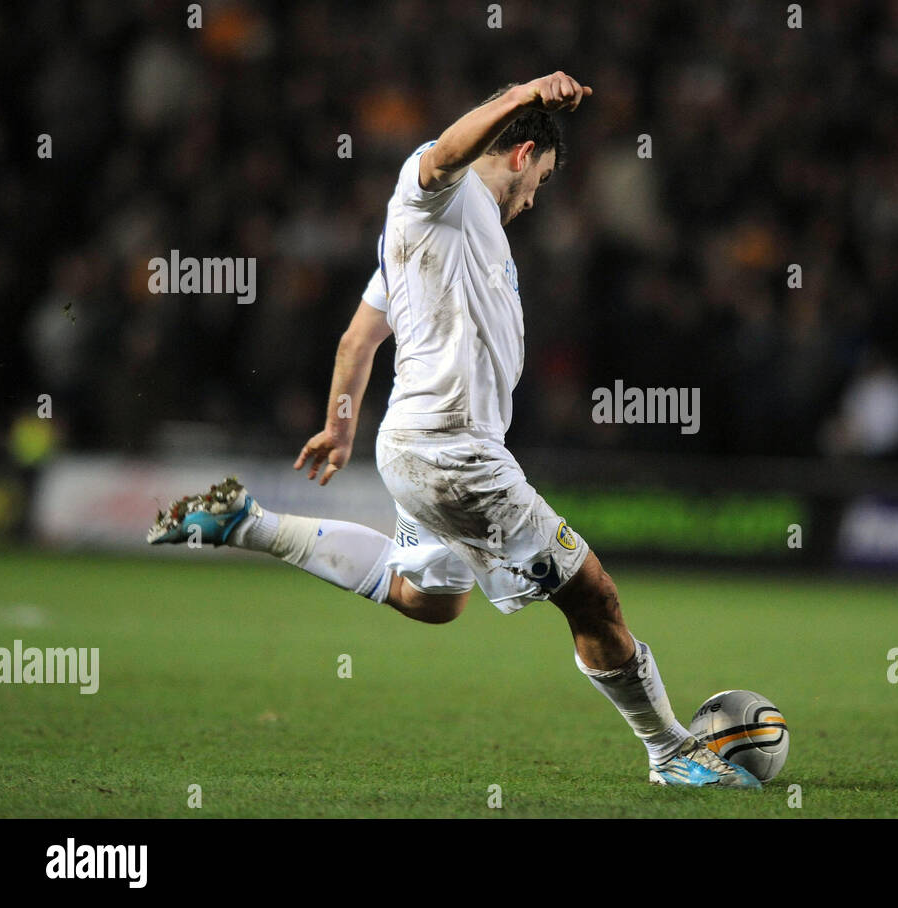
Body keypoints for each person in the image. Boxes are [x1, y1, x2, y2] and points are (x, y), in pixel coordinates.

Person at [149, 72, 759, 788]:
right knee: (594, 598)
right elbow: (441, 157)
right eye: (542, 179)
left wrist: (339, 427)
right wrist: (519, 93)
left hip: (415, 449)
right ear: (522, 151)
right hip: (453, 454)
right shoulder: (437, 189)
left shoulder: (437, 240)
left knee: (429, 602)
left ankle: (248, 525)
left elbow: (357, 342)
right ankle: (671, 753)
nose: (536, 198)